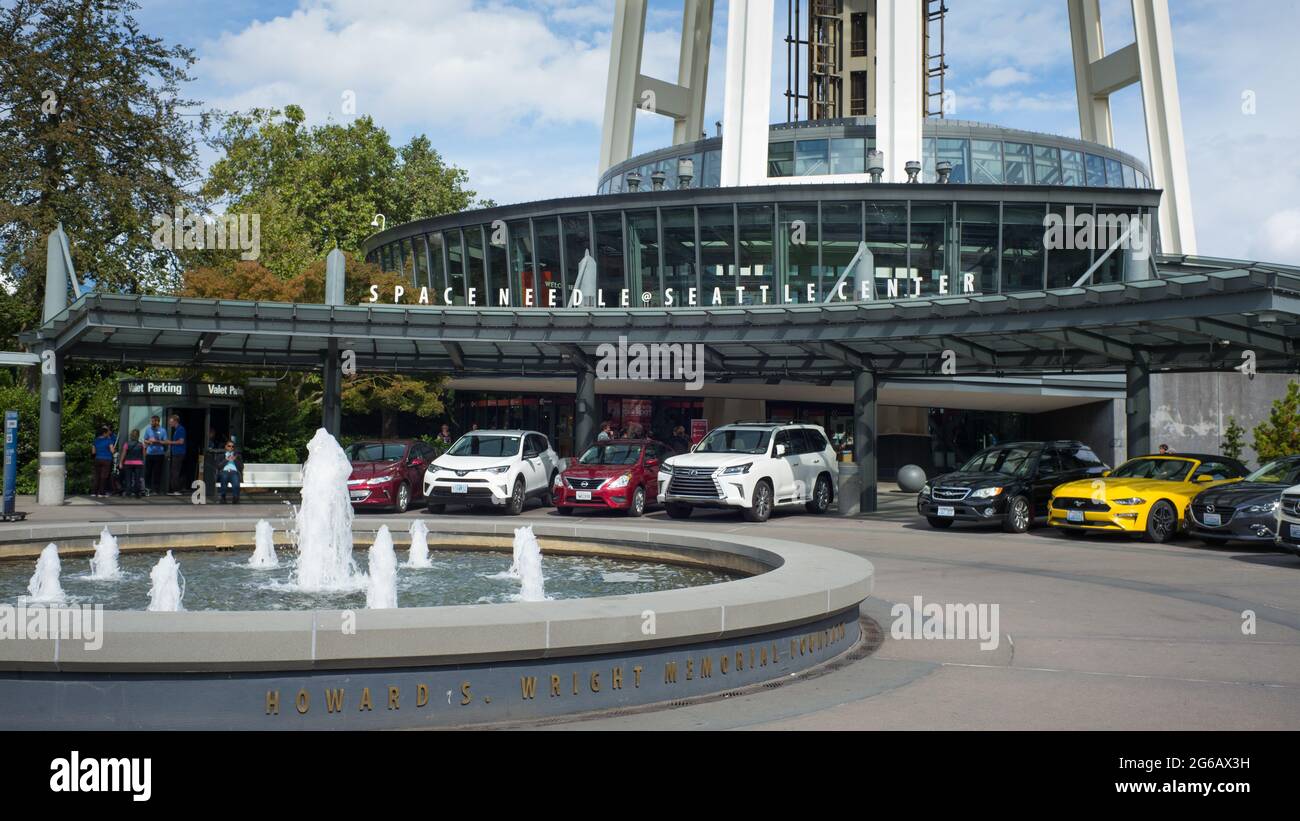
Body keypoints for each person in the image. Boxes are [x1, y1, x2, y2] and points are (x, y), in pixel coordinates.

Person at [142, 415, 167, 496]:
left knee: (157, 472)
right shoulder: (148, 429)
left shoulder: (163, 430)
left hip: (159, 454)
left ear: (157, 421)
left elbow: (165, 442)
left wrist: (156, 441)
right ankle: (147, 489)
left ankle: (156, 490)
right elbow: (145, 440)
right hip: (149, 454)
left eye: (153, 421)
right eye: (151, 421)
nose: (151, 423)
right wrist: (148, 442)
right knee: (148, 472)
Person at [166, 414, 187, 496]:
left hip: (179, 453)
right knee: (174, 471)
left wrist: (169, 442)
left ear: (175, 421)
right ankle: (174, 489)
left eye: (170, 421)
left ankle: (177, 490)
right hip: (176, 453)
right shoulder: (176, 430)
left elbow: (181, 441)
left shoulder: (181, 429)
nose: (169, 423)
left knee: (175, 471)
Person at [119, 430, 146, 498]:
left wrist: (120, 462)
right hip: (138, 463)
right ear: (138, 436)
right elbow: (144, 454)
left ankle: (128, 493)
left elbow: (123, 454)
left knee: (128, 479)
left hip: (128, 463)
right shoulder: (141, 444)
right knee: (137, 479)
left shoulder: (127, 444)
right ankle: (137, 493)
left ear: (131, 435)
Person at [91, 425, 115, 497]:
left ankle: (94, 492)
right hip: (107, 459)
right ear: (104, 433)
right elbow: (112, 451)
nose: (108, 434)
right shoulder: (109, 440)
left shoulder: (95, 440)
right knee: (104, 476)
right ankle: (102, 492)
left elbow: (93, 452)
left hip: (97, 459)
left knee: (97, 476)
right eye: (107, 432)